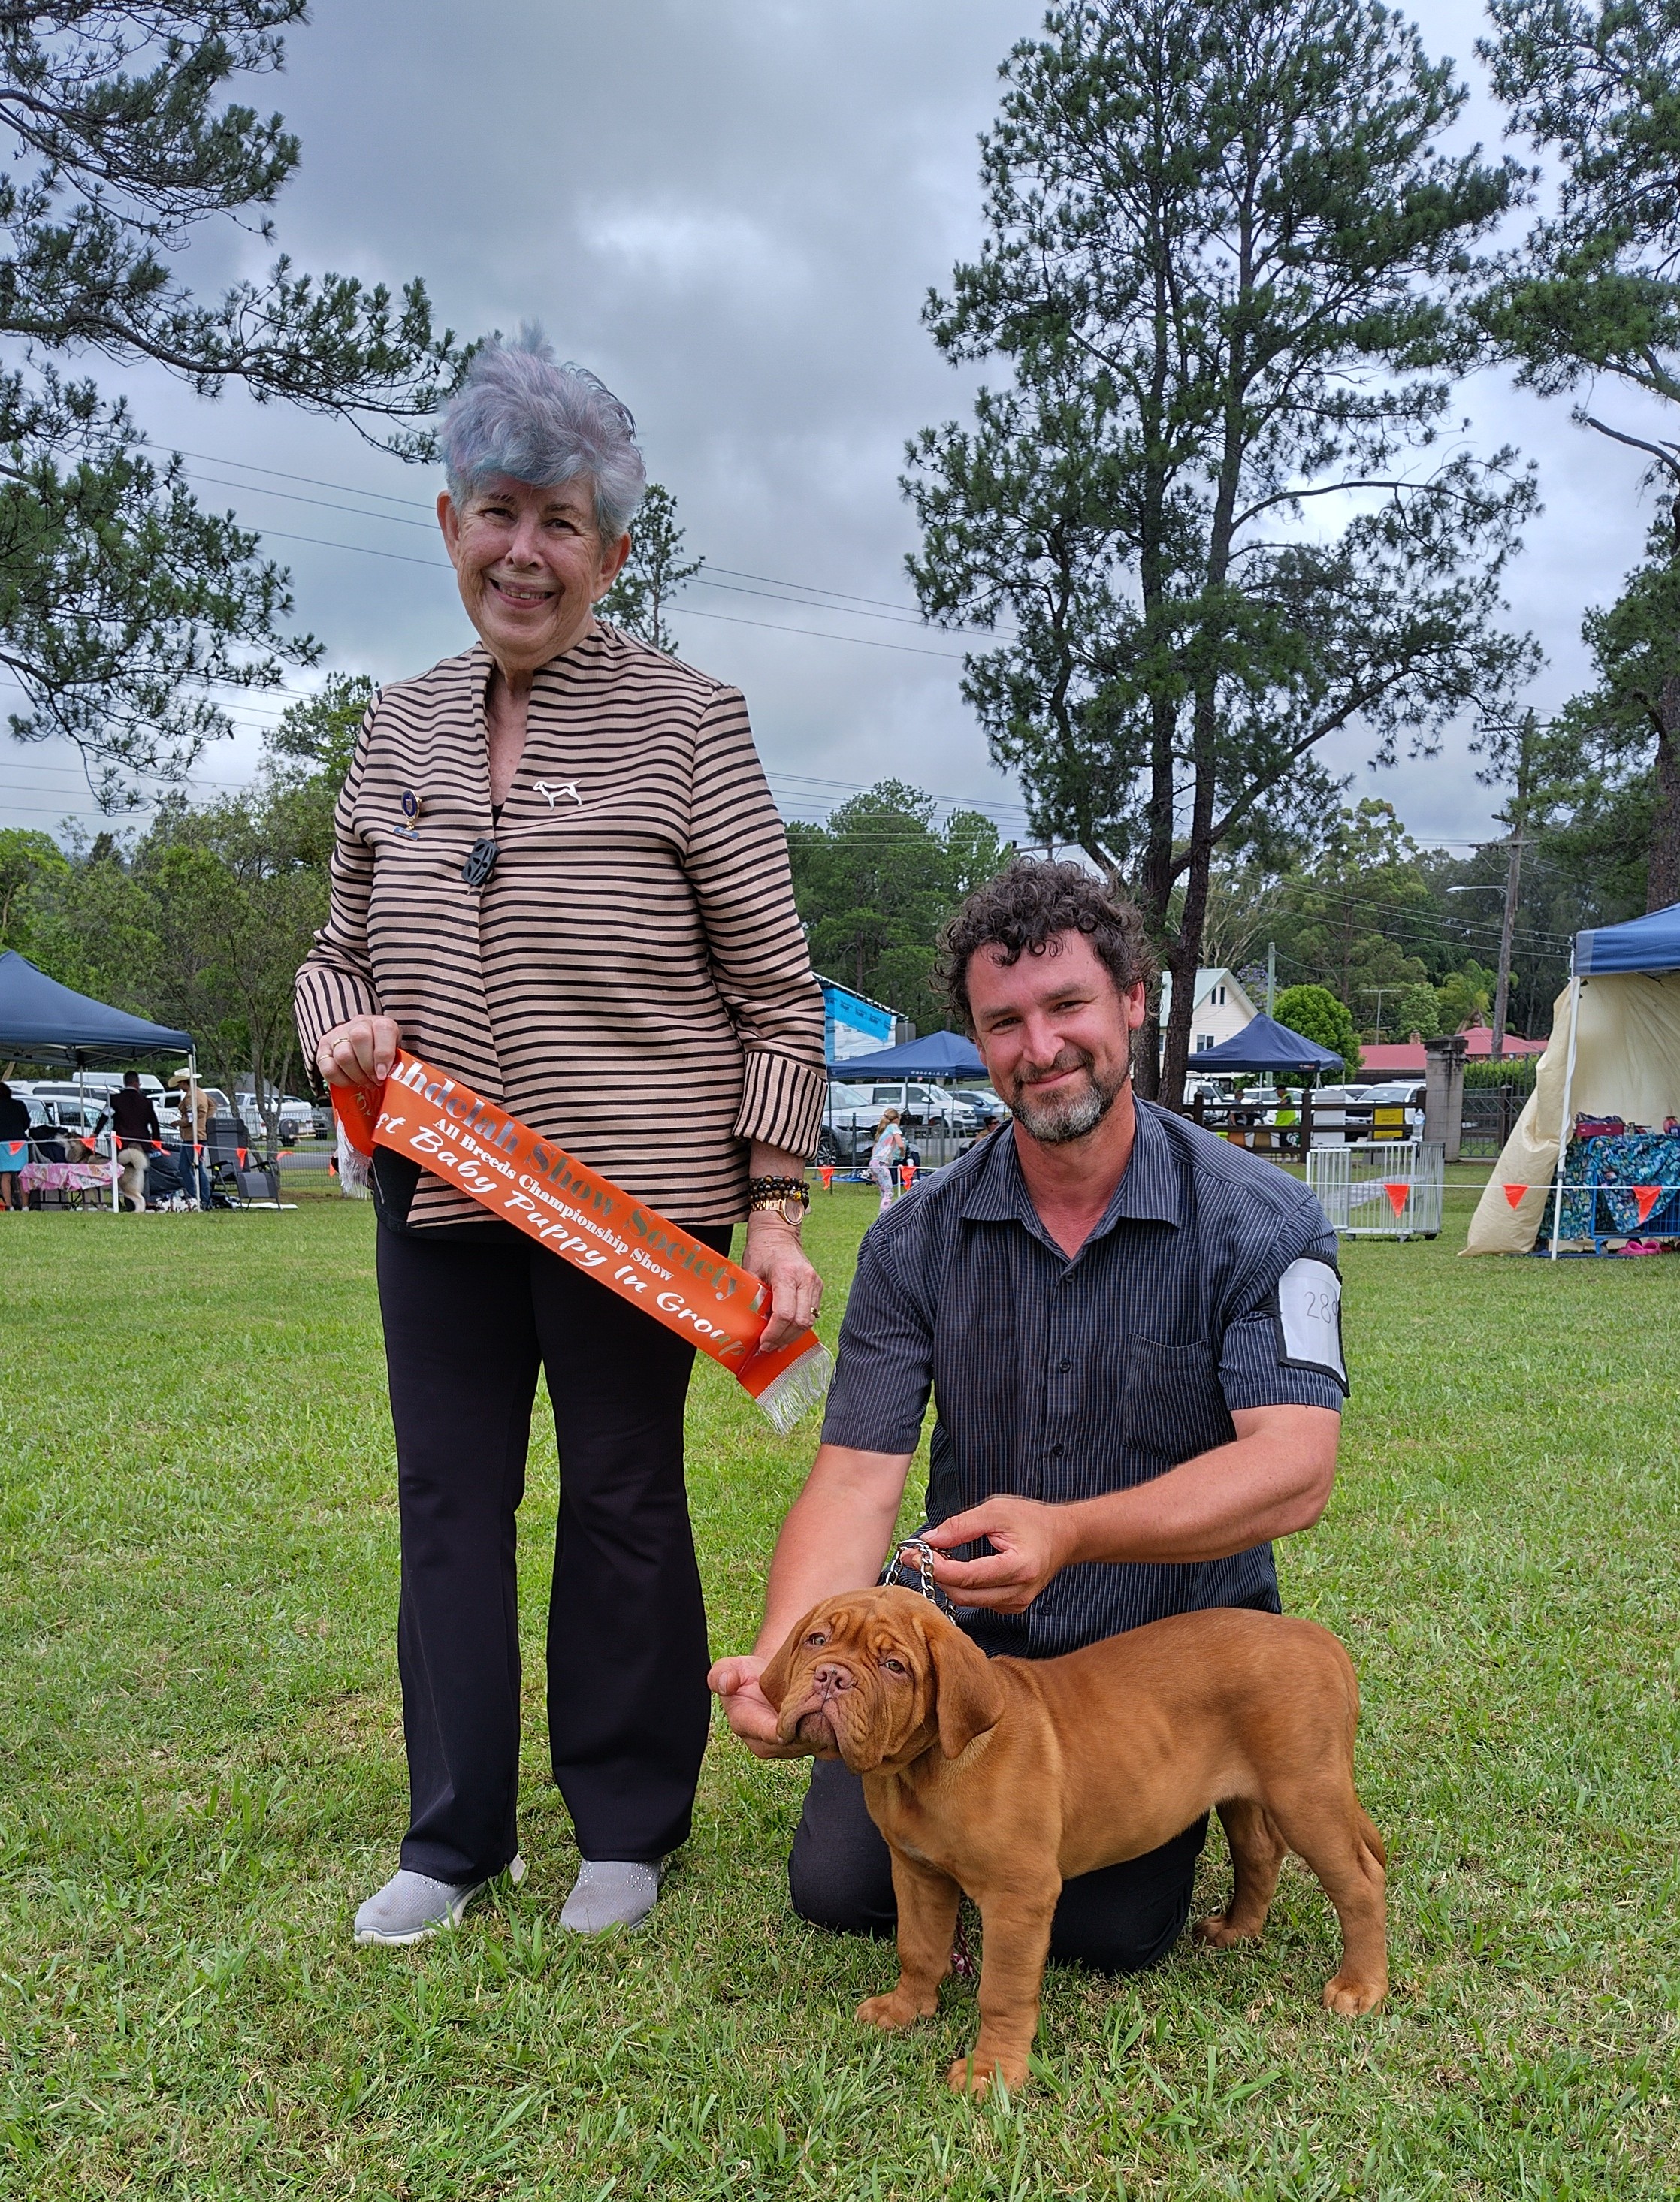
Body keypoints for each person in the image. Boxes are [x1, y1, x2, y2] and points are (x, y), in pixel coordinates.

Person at [295, 329, 827, 1948]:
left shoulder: (691, 722)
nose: (525, 551)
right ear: (449, 520)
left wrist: (778, 1205)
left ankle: (626, 1820)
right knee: (445, 1500)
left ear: (609, 550)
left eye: (562, 522)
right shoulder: (392, 730)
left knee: (618, 1495)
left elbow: (779, 994)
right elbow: (337, 948)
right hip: (435, 1198)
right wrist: (341, 1029)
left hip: (633, 1211)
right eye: (498, 510)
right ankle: (450, 1834)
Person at [711, 859, 1348, 1974]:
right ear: (978, 1038)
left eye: (1068, 1006)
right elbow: (858, 1476)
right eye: (1005, 1020)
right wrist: (786, 1663)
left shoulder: (1263, 1219)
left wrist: (1073, 1531)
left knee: (1099, 1930)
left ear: (1133, 1002)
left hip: (1162, 1655)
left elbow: (1296, 1467)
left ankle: (1205, 1791)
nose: (1041, 1046)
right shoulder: (913, 1235)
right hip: (961, 1652)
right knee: (838, 1887)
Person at [110, 1071, 161, 1212]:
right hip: (143, 1143)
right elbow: (154, 1123)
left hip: (122, 1143)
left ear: (125, 1083)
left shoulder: (115, 1099)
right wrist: (157, 1141)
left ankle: (130, 1203)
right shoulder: (146, 1101)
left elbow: (104, 1116)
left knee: (123, 1174)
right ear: (137, 1083)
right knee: (143, 1172)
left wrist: (95, 1133)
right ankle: (145, 1200)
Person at [170, 1072, 214, 1207]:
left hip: (192, 1137)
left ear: (184, 1082)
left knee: (196, 1168)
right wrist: (205, 1121)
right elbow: (212, 1106)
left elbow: (190, 1118)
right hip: (198, 1135)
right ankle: (198, 1196)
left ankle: (201, 1198)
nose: (179, 1086)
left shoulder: (190, 1097)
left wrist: (179, 1122)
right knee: (186, 1167)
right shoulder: (201, 1093)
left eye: (180, 1083)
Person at [867, 1108, 905, 1213]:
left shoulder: (883, 1131)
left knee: (884, 1192)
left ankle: (885, 1213)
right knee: (889, 1192)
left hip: (874, 1163)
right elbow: (900, 1144)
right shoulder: (893, 1127)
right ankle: (883, 1216)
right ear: (896, 1119)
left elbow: (874, 1149)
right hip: (880, 1163)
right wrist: (903, 1152)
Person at [0, 1080, 29, 1209]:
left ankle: (9, 1206)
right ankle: (25, 1206)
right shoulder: (19, 1105)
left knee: (6, 1175)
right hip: (20, 1143)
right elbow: (27, 1123)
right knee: (22, 1175)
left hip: (2, 1143)